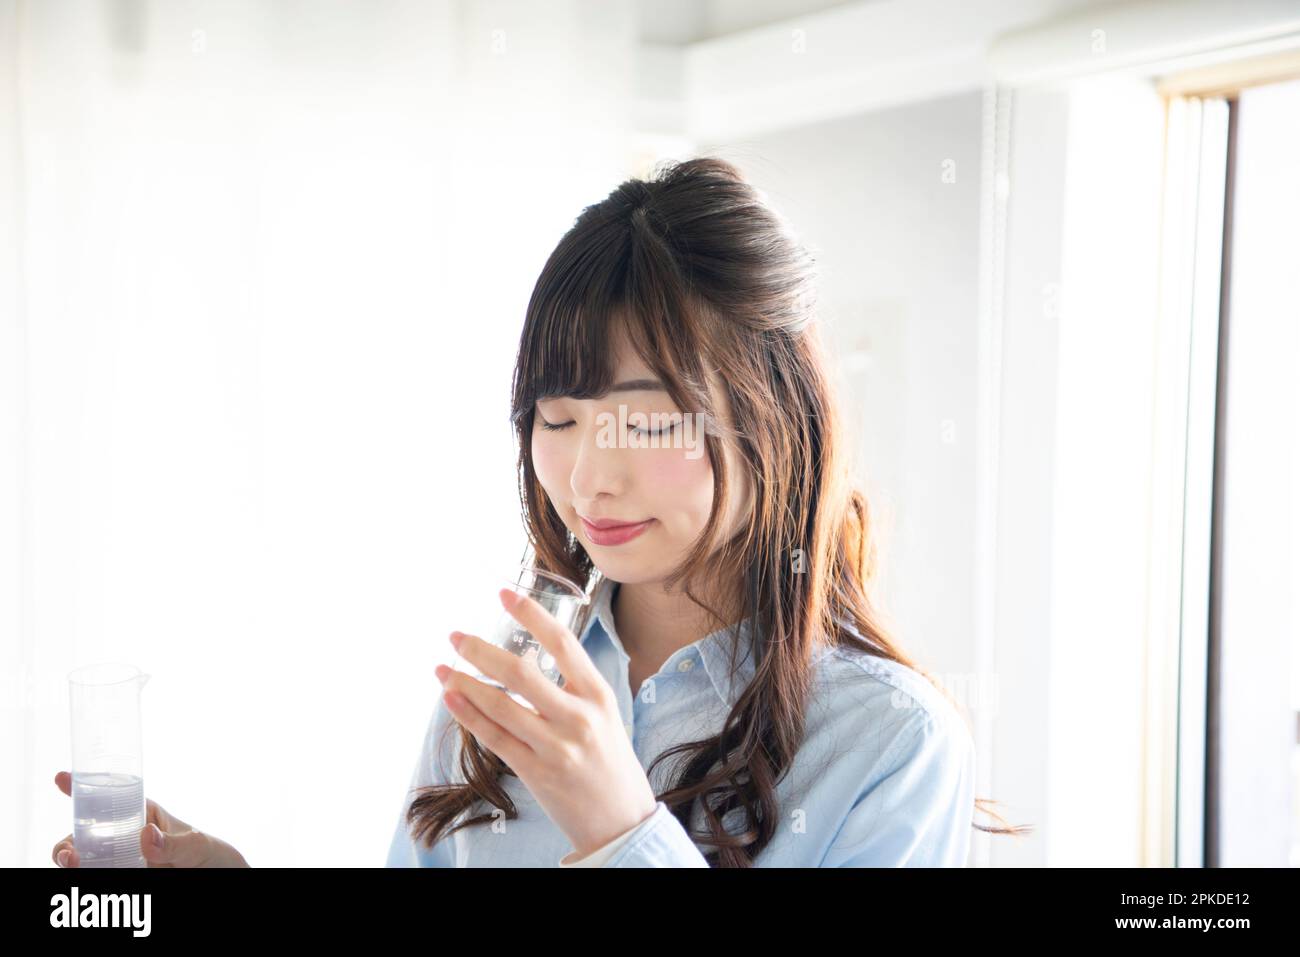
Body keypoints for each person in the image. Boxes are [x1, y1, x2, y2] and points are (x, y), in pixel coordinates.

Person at [52, 157, 1023, 869]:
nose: (590, 479)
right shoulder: (493, 705)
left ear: (776, 415)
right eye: (557, 418)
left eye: (644, 424)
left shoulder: (889, 742)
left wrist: (620, 828)